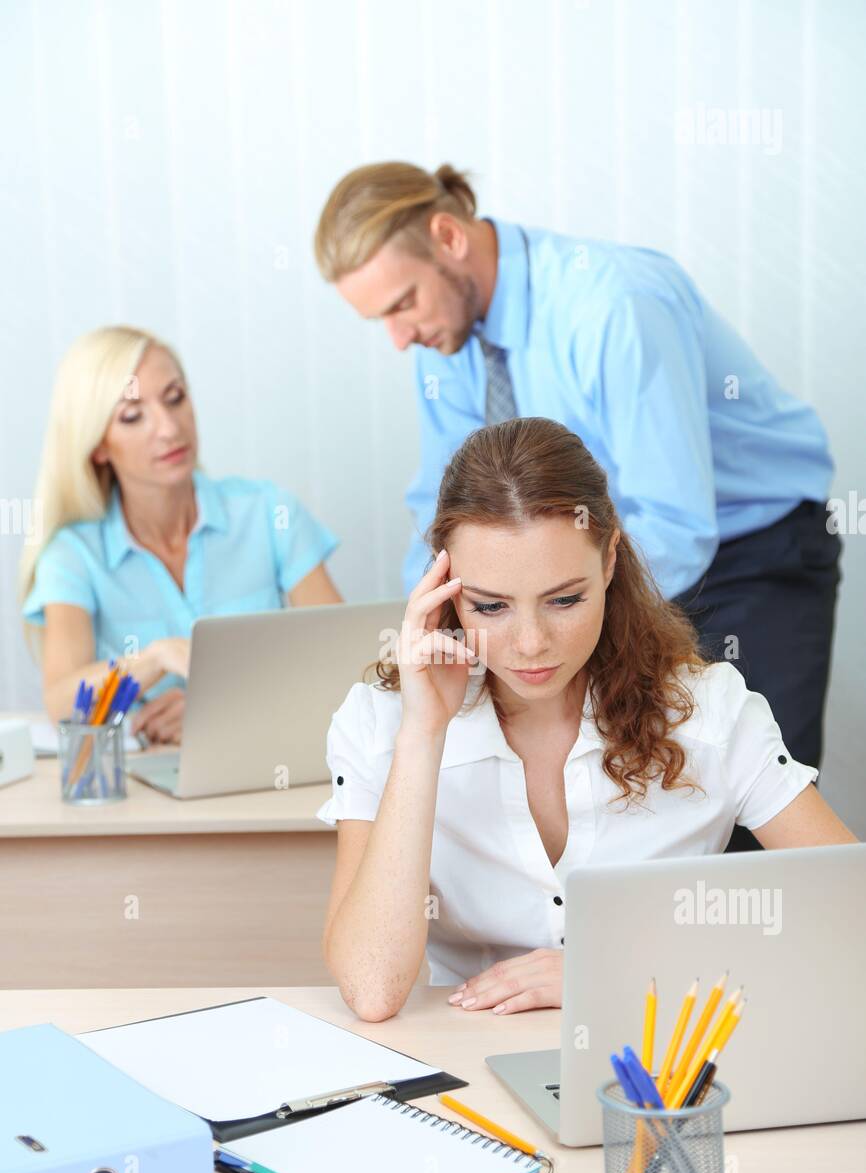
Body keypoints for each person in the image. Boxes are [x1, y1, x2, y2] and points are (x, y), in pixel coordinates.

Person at [314, 161, 842, 801]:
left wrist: (568, 614)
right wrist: (432, 630)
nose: (400, 339)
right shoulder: (444, 339)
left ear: (449, 237)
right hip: (579, 577)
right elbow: (442, 507)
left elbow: (674, 523)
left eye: (403, 305)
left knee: (741, 798)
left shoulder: (615, 307)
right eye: (382, 321)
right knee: (630, 800)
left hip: (749, 549)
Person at [316, 418, 855, 1023]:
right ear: (442, 587)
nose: (530, 643)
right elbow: (372, 988)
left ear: (610, 561)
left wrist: (615, 970)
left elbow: (849, 918)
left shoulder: (710, 712)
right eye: (489, 606)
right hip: (461, 1065)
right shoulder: (379, 722)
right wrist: (422, 735)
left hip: (655, 1060)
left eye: (564, 600)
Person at [20, 326, 341, 743]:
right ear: (97, 446)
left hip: (266, 764)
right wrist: (154, 658)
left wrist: (221, 709)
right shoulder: (72, 556)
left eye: (175, 398)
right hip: (145, 790)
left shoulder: (268, 512)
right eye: (133, 416)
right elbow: (63, 701)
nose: (169, 428)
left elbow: (341, 660)